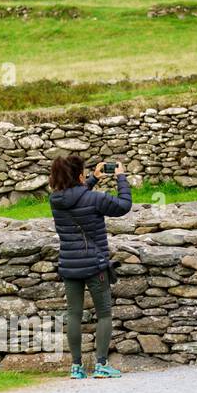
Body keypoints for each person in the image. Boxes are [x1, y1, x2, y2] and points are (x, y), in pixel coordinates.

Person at [48, 155, 132, 379]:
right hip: (95, 265)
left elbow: (75, 196)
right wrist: (121, 177)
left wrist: (93, 178)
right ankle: (101, 365)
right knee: (104, 314)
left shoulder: (54, 200)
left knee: (73, 315)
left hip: (69, 266)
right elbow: (124, 205)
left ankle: (76, 367)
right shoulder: (94, 199)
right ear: (79, 176)